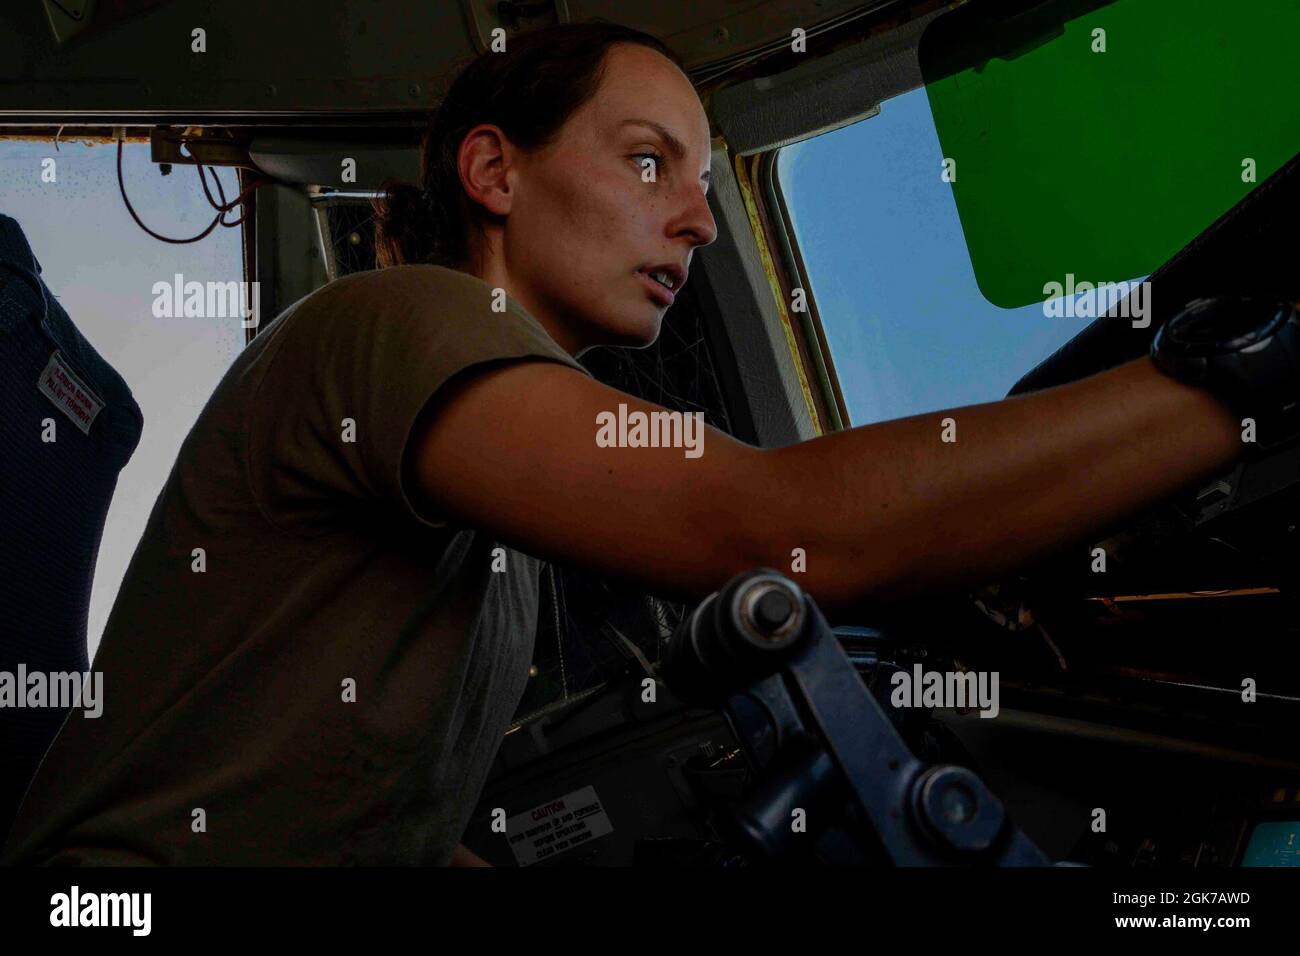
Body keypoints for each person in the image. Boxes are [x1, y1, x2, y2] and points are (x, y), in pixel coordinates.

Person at [0, 22, 1281, 867]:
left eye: (707, 185)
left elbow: (361, 810)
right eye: (650, 161)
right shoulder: (406, 317)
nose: (700, 224)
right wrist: (1235, 388)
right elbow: (782, 528)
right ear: (494, 172)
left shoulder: (500, 500)